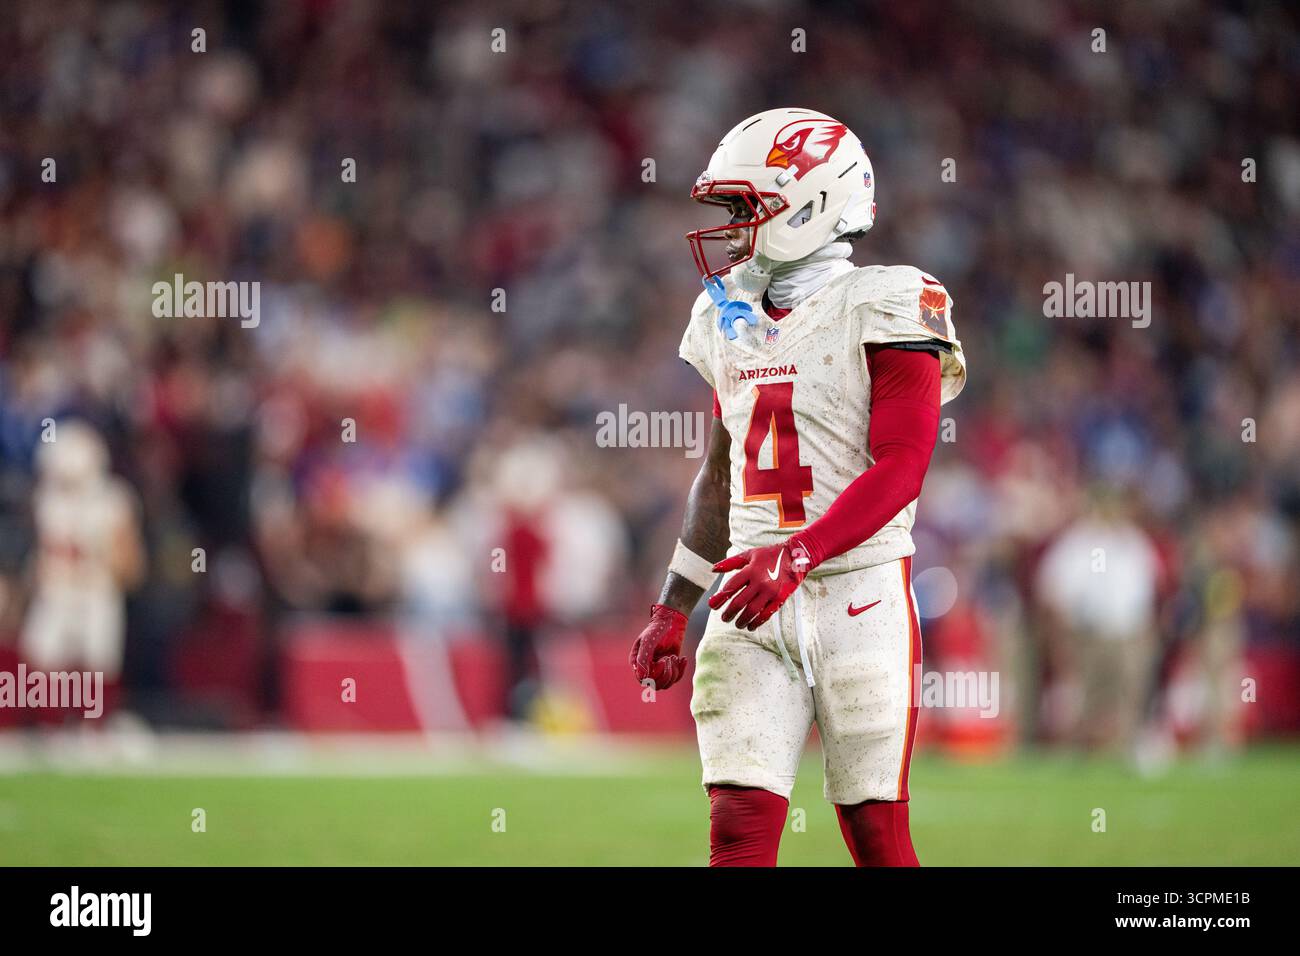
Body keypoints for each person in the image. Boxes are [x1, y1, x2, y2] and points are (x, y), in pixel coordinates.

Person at [629, 109, 967, 866]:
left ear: (811, 205)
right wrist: (671, 607)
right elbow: (719, 477)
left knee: (876, 834)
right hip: (750, 590)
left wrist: (801, 555)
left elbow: (903, 467)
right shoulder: (727, 318)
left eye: (747, 210)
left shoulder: (887, 299)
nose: (732, 230)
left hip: (858, 593)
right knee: (737, 830)